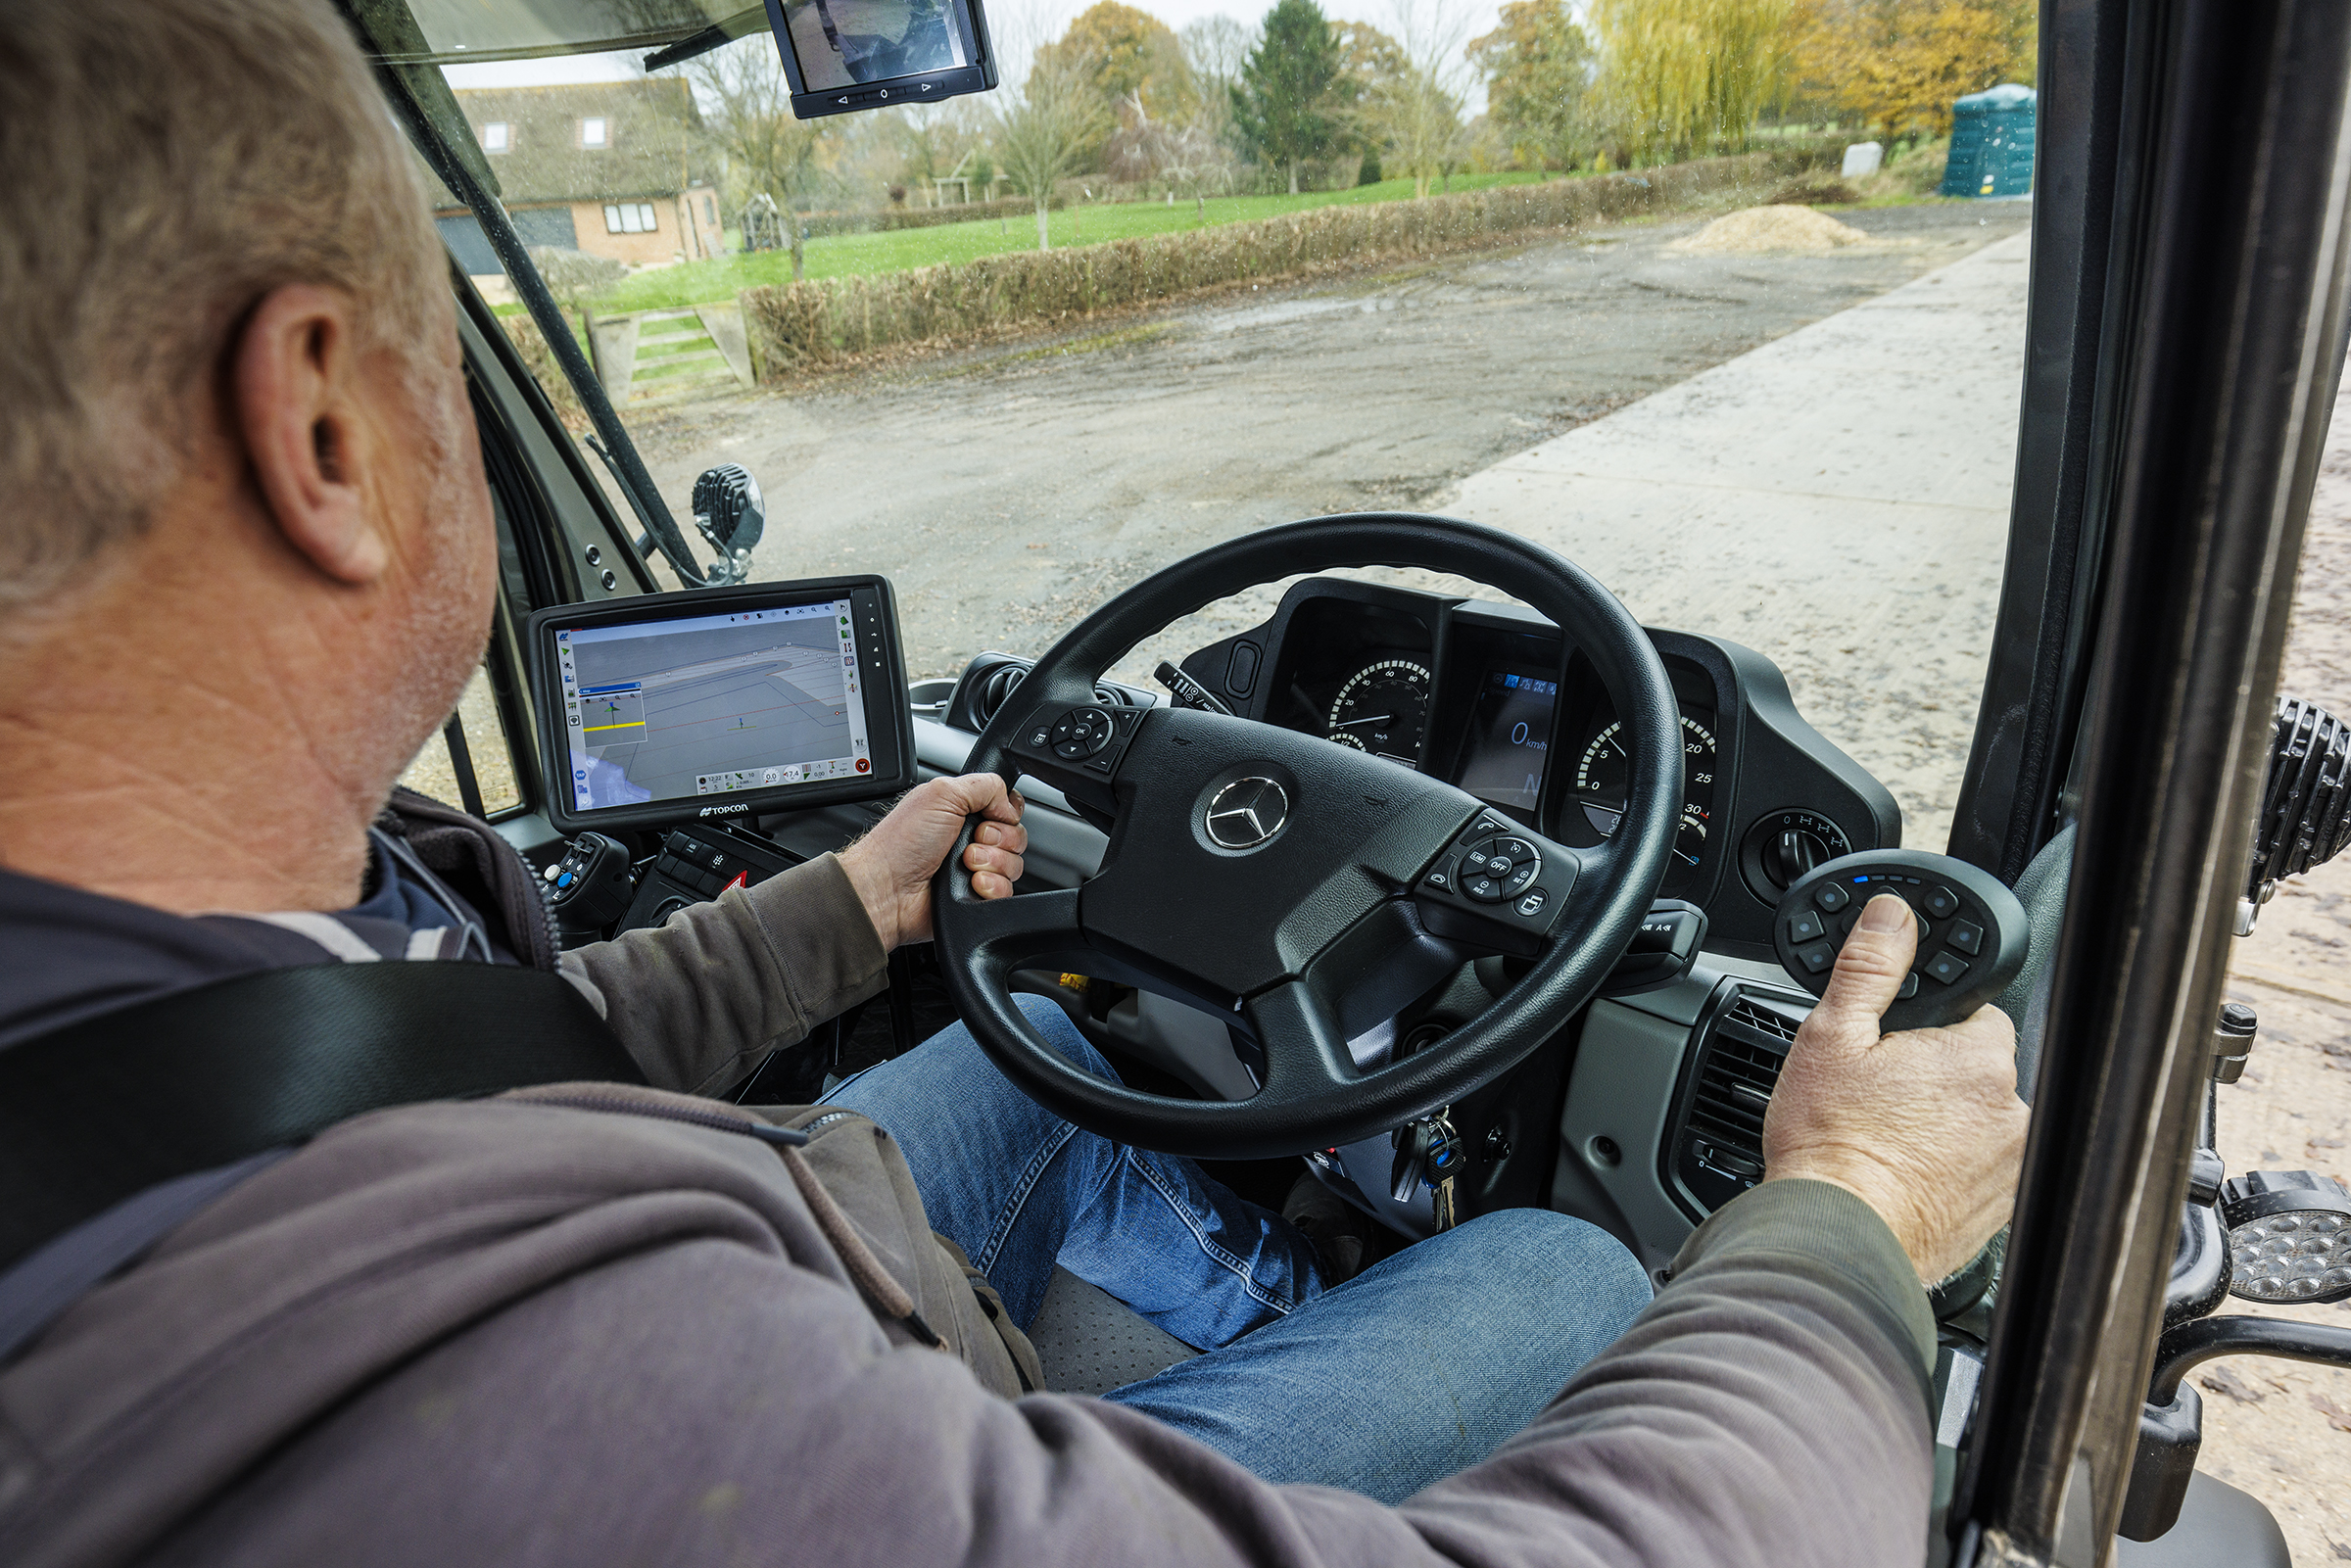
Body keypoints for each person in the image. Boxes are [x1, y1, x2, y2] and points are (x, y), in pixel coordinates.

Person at [0, 2, 2032, 1564]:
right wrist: (1847, 1221)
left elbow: (462, 1046)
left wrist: (848, 905)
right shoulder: (481, 1401)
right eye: (449, 348)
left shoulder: (189, 954)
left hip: (743, 1226)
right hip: (800, 1397)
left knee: (1029, 1039)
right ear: (326, 427)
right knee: (1579, 1269)